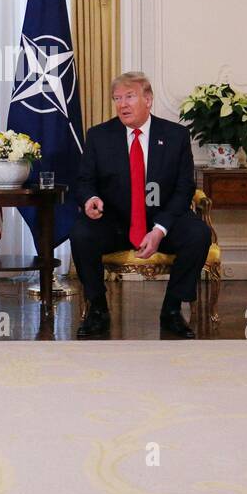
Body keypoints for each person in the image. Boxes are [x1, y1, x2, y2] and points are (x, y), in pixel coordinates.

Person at [69, 71, 211, 339]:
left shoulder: (175, 135)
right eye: (117, 98)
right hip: (115, 222)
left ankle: (171, 310)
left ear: (148, 100)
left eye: (129, 97)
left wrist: (159, 229)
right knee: (81, 233)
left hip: (161, 219)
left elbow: (184, 189)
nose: (122, 104)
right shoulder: (100, 136)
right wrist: (90, 199)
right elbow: (84, 181)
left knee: (198, 234)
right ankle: (98, 308)